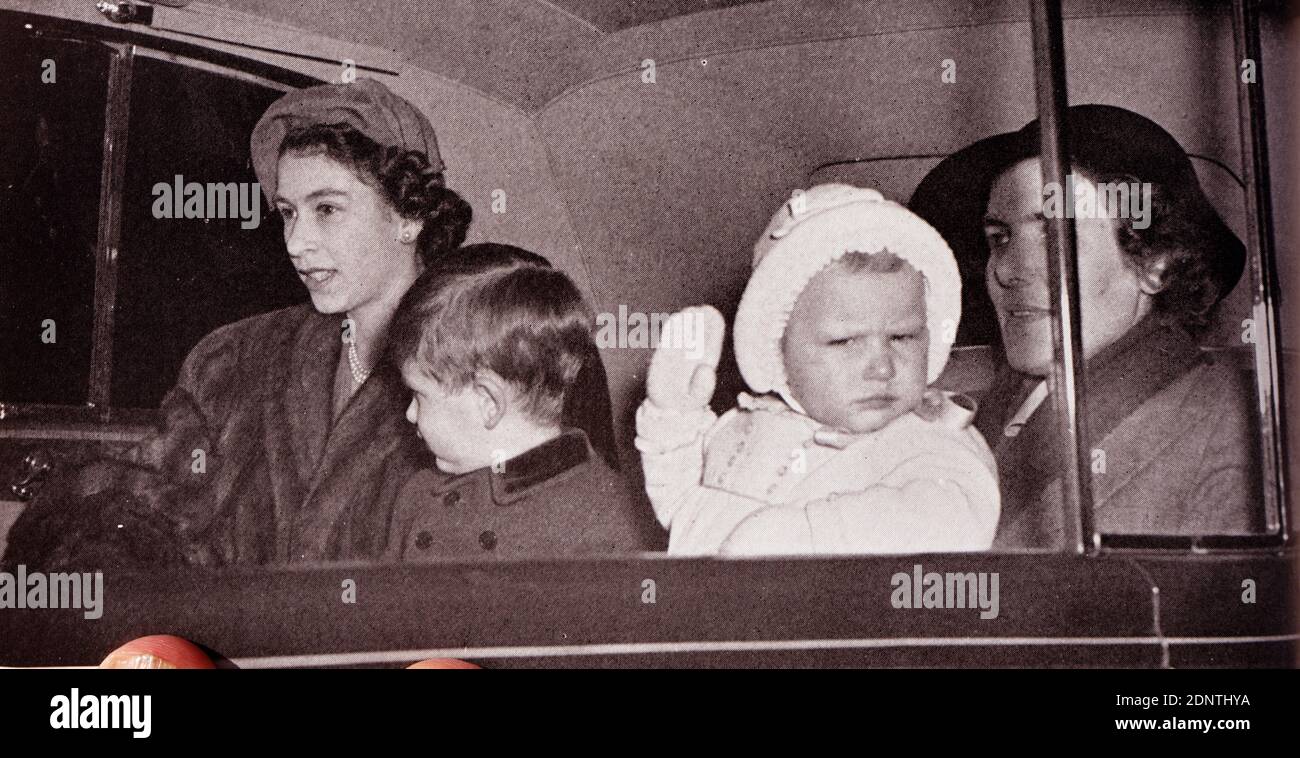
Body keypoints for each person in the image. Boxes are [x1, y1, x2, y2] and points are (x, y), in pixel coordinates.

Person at [2, 79, 619, 570]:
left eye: (327, 210)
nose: (297, 242)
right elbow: (146, 500)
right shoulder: (236, 356)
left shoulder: (515, 352)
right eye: (287, 213)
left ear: (409, 215)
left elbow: (558, 556)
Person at [910, 104, 1264, 548]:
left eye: (1055, 235)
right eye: (1000, 238)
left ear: (1154, 262)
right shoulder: (965, 412)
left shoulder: (1237, 430)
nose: (1007, 270)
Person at [635, 184, 1000, 556]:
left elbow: (953, 519)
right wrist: (672, 420)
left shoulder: (925, 435)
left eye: (903, 336)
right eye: (844, 342)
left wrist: (807, 536)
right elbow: (686, 513)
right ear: (778, 348)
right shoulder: (748, 426)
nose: (883, 367)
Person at [383, 244, 654, 559]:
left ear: (488, 402)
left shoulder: (608, 523)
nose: (410, 413)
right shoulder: (419, 493)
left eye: (419, 395)